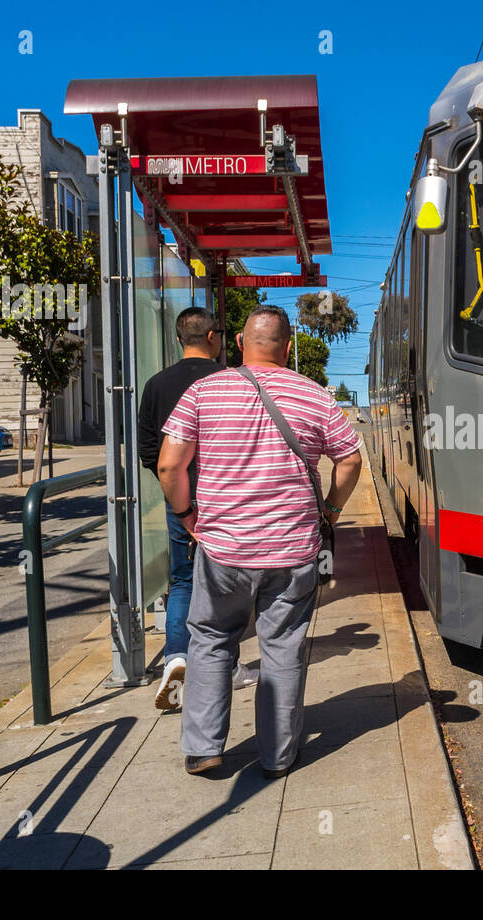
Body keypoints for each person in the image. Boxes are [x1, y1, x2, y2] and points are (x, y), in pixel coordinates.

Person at [158, 305, 362, 777]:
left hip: (224, 549)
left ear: (238, 344)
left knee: (209, 639)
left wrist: (188, 516)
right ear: (288, 348)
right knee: (283, 645)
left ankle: (204, 747)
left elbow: (170, 466)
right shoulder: (313, 395)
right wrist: (329, 511)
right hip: (292, 550)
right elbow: (349, 460)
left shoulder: (203, 391)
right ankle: (277, 755)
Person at [137, 306, 222, 711]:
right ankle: (223, 665)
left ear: (177, 339)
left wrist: (176, 492)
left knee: (183, 579)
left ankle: (176, 657)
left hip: (180, 497)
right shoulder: (228, 380)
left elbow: (148, 451)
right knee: (226, 580)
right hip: (228, 497)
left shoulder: (156, 385)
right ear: (212, 338)